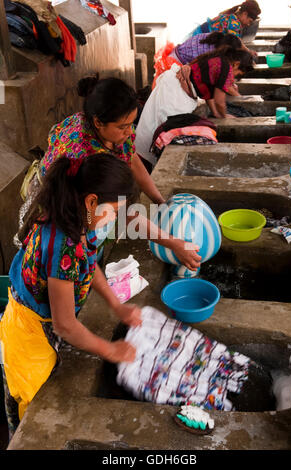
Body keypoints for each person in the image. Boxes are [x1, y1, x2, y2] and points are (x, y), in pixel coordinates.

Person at [0, 154, 142, 438]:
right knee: (34, 416)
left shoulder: (75, 217)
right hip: (29, 335)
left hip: (38, 318)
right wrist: (109, 350)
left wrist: (116, 305)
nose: (114, 219)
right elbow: (64, 324)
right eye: (113, 211)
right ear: (91, 202)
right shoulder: (63, 244)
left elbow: (89, 264)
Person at [19, 75, 202, 273]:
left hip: (89, 208)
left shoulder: (117, 131)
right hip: (61, 209)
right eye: (123, 126)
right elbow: (120, 213)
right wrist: (173, 243)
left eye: (132, 123)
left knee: (89, 253)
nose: (129, 132)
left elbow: (132, 159)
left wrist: (159, 200)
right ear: (98, 122)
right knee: (71, 263)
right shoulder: (83, 155)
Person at [135, 46, 254, 169]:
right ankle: (145, 166)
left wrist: (217, 114)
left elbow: (209, 95)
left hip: (174, 85)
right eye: (238, 74)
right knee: (159, 127)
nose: (234, 78)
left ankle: (144, 163)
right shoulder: (226, 68)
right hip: (175, 92)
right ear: (236, 64)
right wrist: (224, 115)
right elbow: (220, 101)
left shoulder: (218, 59)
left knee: (150, 123)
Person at [153, 32, 242, 89]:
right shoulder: (213, 53)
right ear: (226, 48)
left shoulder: (214, 36)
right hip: (174, 64)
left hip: (173, 53)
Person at [188, 1, 261, 55]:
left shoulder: (231, 16)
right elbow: (237, 42)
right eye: (250, 21)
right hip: (201, 42)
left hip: (199, 37)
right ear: (245, 14)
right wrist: (249, 52)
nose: (248, 24)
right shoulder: (234, 23)